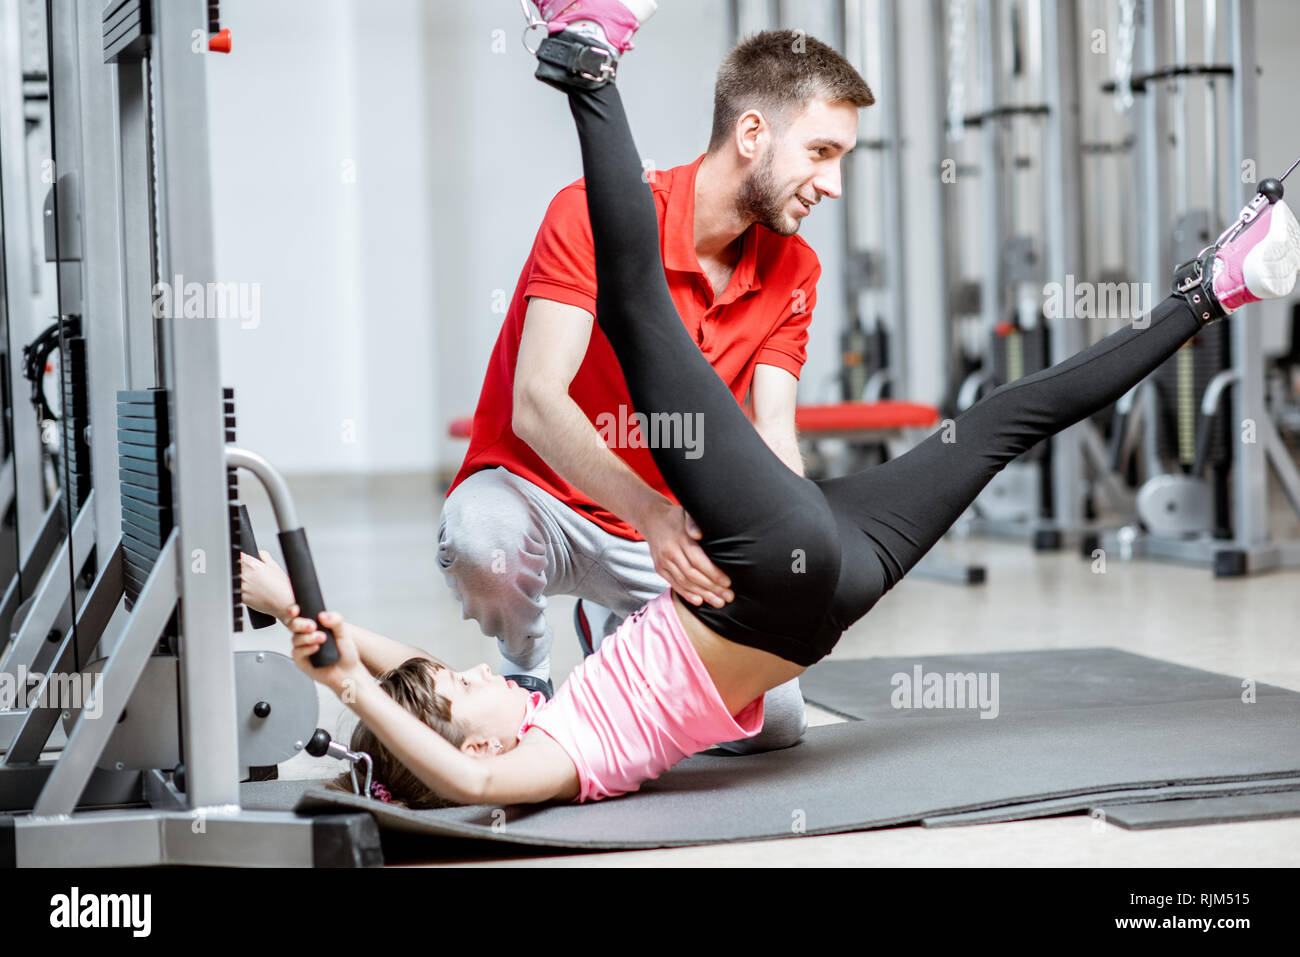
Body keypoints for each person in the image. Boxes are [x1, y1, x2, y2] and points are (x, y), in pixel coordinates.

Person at [245, 1, 1300, 807]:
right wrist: (345, 688)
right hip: (752, 575)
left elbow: (418, 671)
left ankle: (1219, 287)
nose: (478, 669)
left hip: (808, 586)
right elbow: (464, 779)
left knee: (998, 424)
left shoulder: (525, 713)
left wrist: (294, 610)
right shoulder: (537, 754)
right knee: (645, 314)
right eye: (824, 154)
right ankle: (584, 55)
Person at [436, 1, 873, 753]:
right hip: (543, 498)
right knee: (484, 541)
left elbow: (774, 432)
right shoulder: (590, 214)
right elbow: (537, 402)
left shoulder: (793, 267)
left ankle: (621, 635)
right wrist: (650, 514)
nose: (833, 185)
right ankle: (527, 674)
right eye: (821, 153)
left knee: (776, 726)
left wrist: (796, 556)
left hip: (672, 530)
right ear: (752, 134)